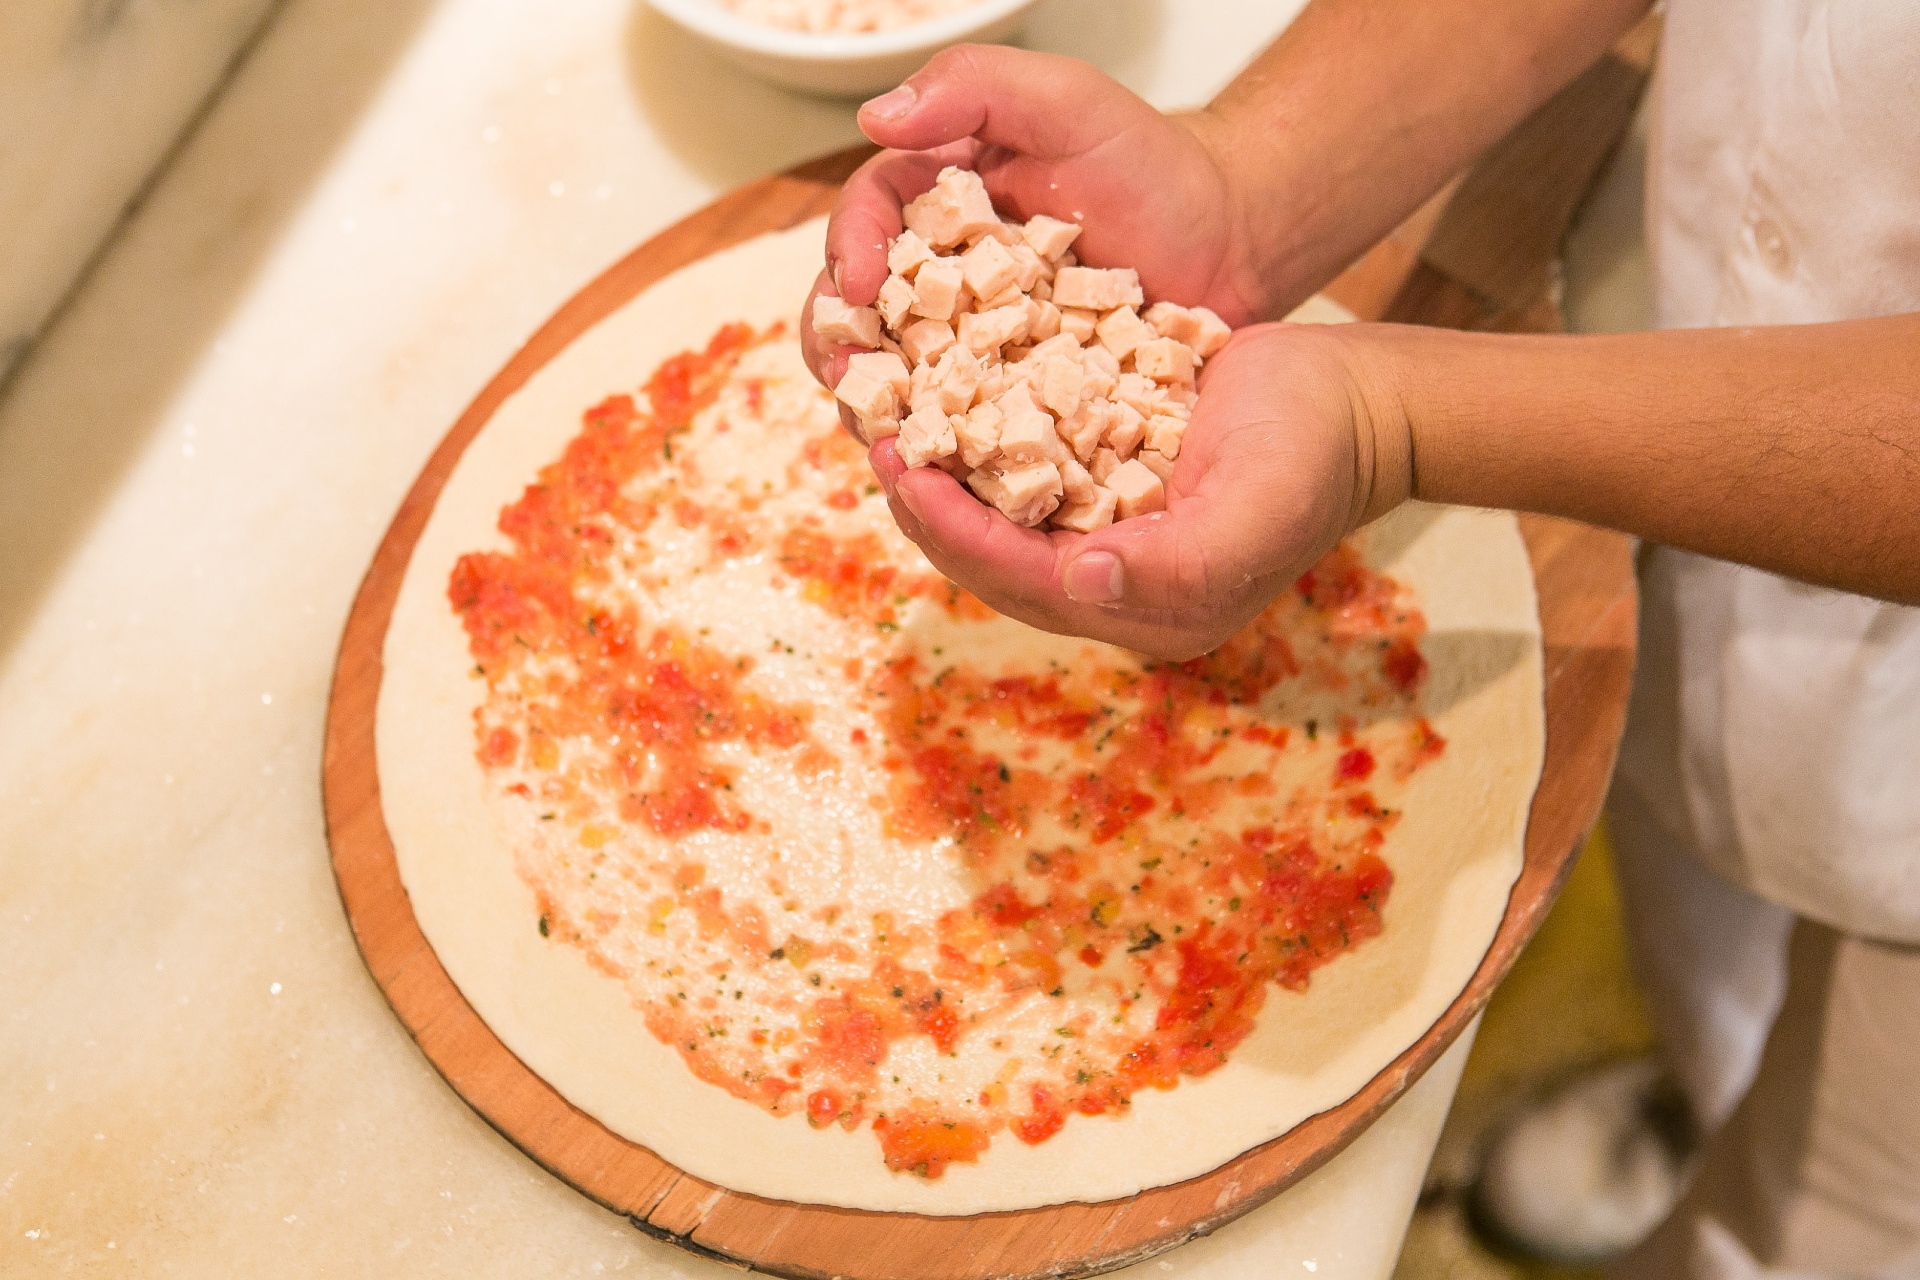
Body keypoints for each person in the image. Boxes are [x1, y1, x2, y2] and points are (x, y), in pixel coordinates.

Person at [800, 2, 1920, 1276]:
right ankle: (1690, 1079)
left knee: (1839, 1199)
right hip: (1697, 351)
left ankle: (1742, 1220)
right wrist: (1240, 182)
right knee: (1688, 911)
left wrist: (1392, 420)